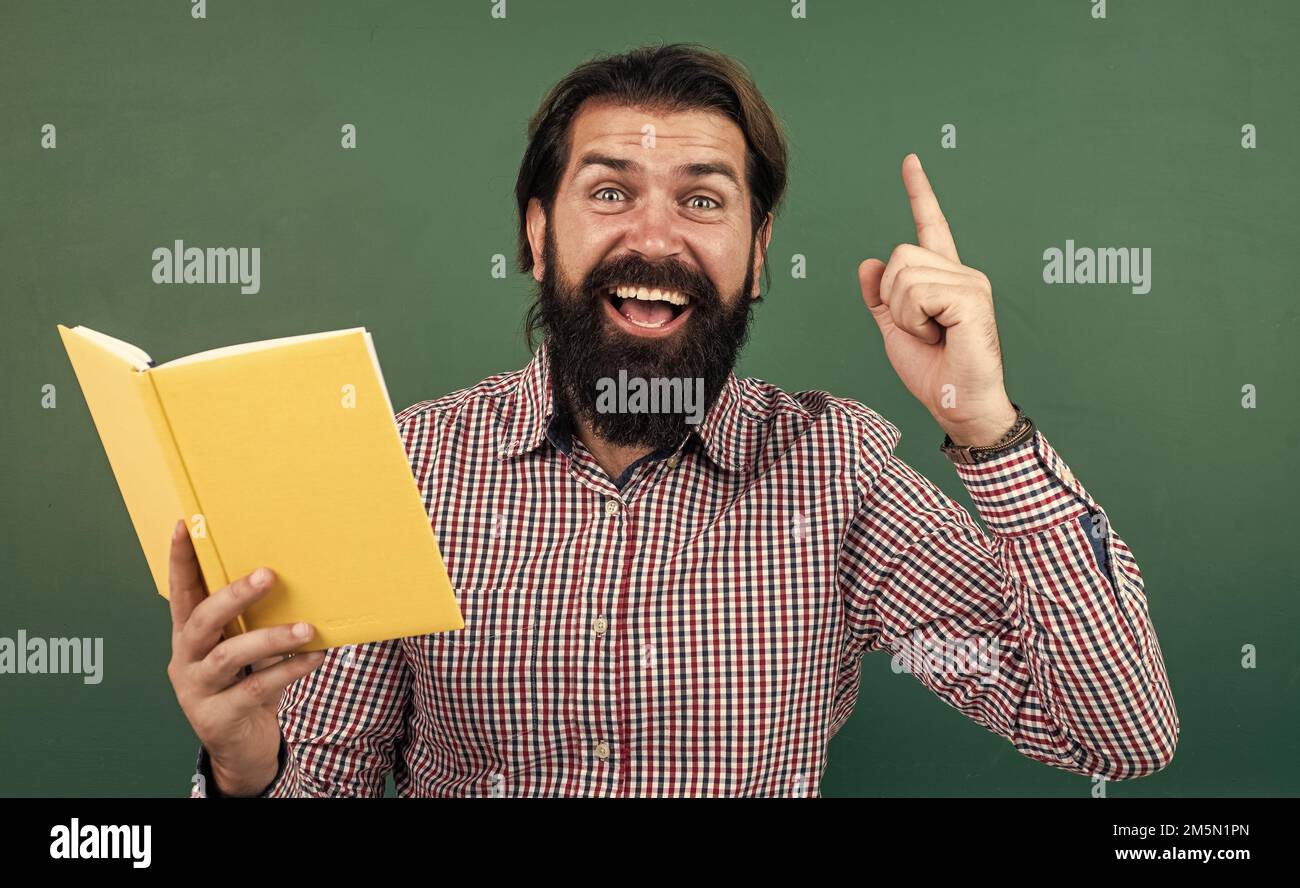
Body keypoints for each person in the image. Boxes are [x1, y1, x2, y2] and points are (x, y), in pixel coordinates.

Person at [166, 43, 1178, 797]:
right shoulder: (403, 466)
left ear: (758, 246)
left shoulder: (840, 473)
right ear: (535, 231)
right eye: (609, 191)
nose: (655, 236)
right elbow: (324, 784)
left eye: (703, 202)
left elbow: (1115, 736)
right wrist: (247, 771)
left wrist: (985, 424)